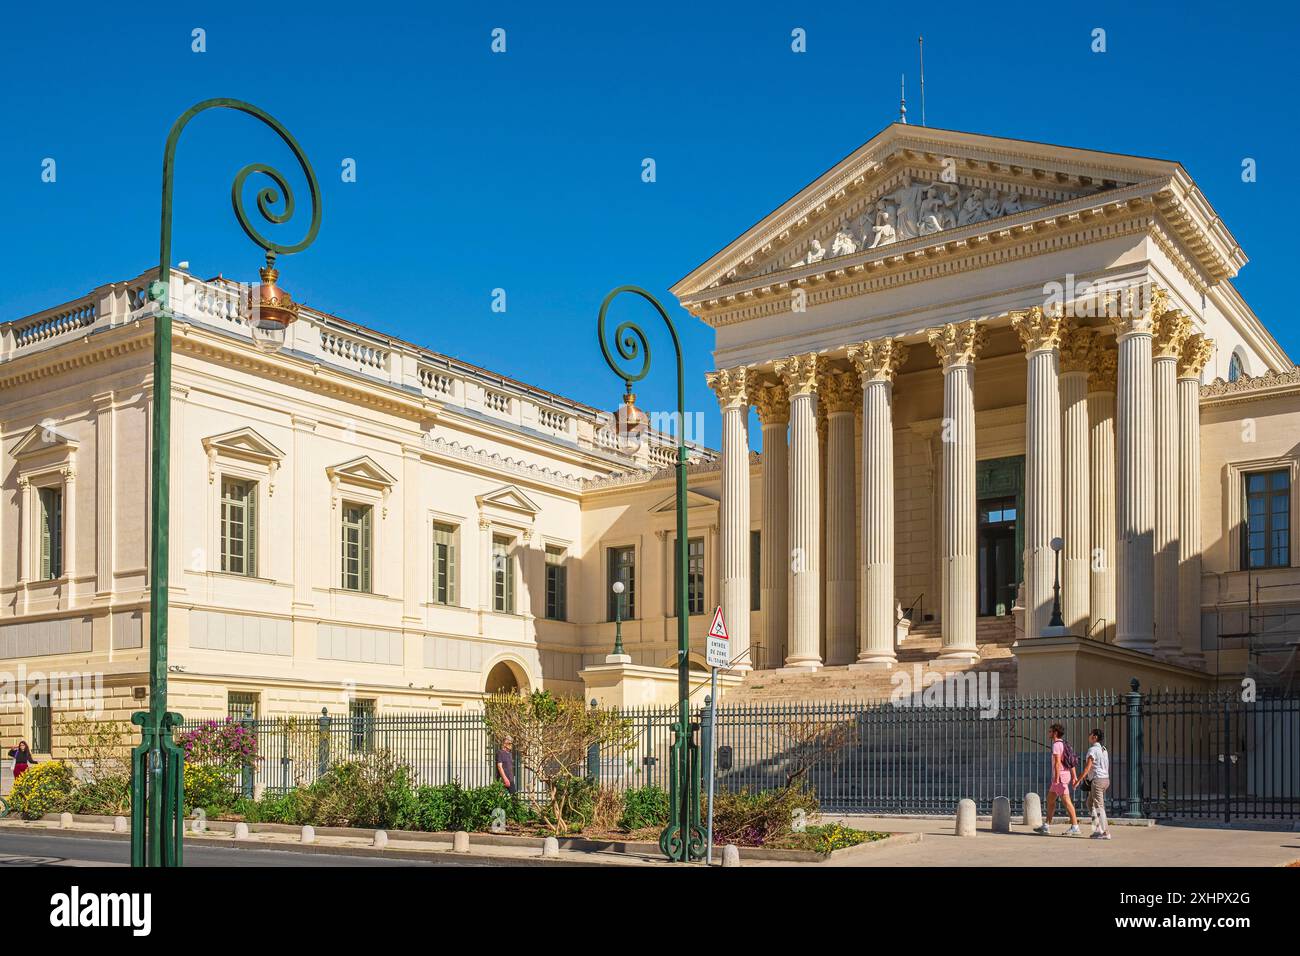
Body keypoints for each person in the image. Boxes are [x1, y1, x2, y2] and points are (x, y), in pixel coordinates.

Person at [1035, 723, 1080, 835]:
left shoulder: (1056, 745)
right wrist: (1074, 777)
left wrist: (1056, 779)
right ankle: (1046, 825)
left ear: (1055, 733)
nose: (1048, 733)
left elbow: (1057, 763)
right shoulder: (1064, 744)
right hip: (1063, 776)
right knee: (1050, 800)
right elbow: (1071, 763)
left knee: (1067, 801)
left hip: (1059, 778)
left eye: (1050, 731)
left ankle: (1075, 827)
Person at [1078, 728, 1111, 840]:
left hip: (1097, 780)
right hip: (1105, 779)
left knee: (1099, 807)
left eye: (1090, 734)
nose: (1089, 736)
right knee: (1089, 803)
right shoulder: (1104, 749)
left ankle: (1105, 832)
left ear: (1095, 737)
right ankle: (1097, 829)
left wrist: (1078, 780)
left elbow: (1087, 768)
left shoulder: (1092, 750)